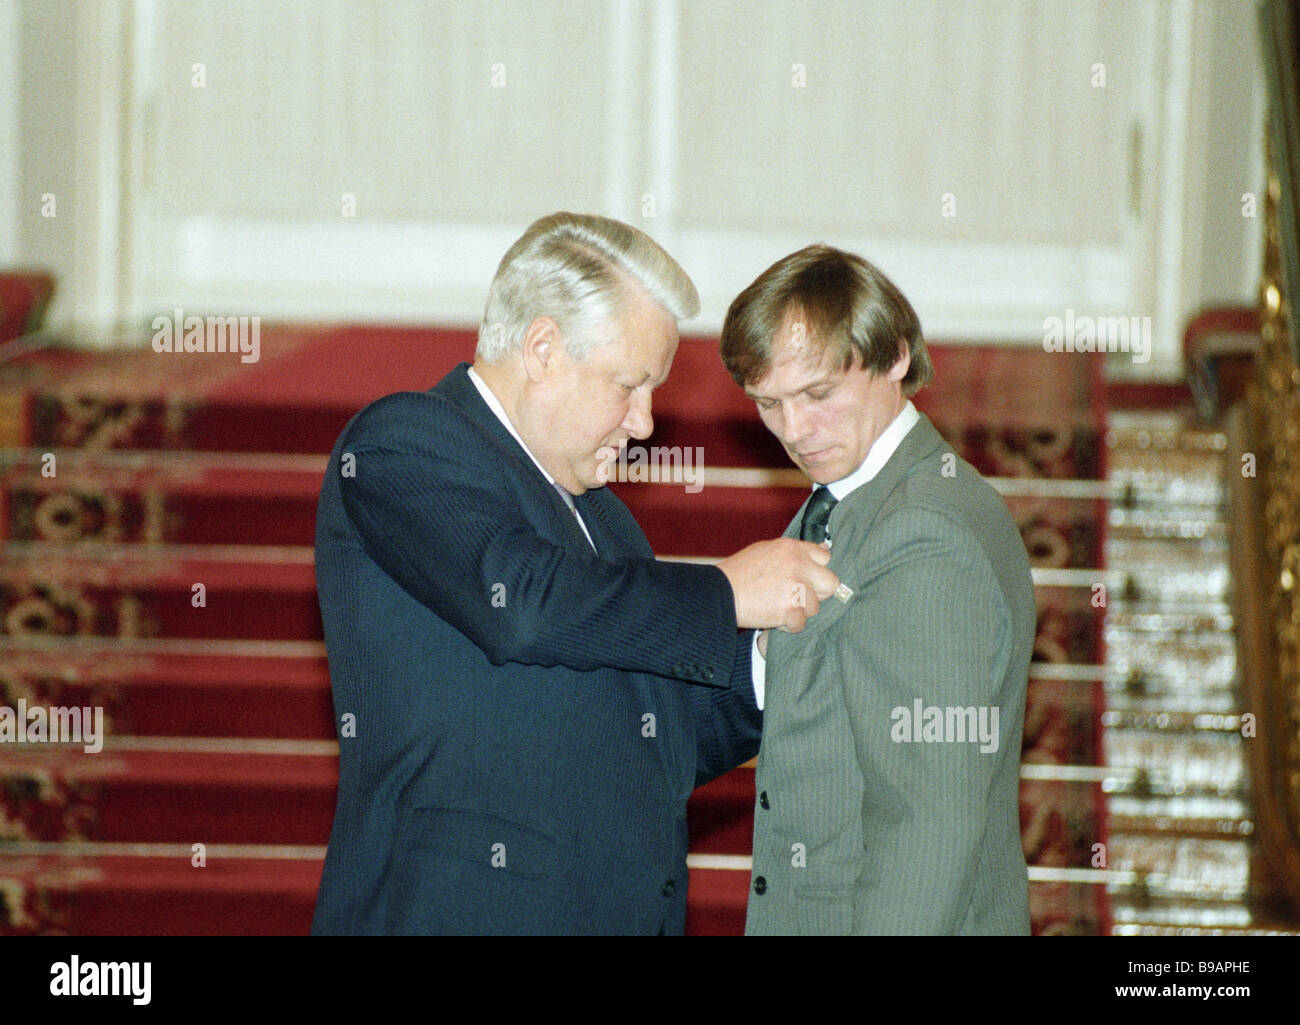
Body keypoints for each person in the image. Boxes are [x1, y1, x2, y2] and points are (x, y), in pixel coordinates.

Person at [311, 212, 838, 935]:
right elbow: (521, 603)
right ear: (543, 348)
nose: (645, 422)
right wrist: (727, 590)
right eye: (629, 384)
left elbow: (654, 738)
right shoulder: (405, 439)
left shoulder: (604, 519)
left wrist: (766, 662)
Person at [721, 244, 1035, 934]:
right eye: (768, 403)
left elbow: (928, 826)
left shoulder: (921, 532)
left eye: (817, 394)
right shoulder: (859, 495)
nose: (794, 430)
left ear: (895, 356)